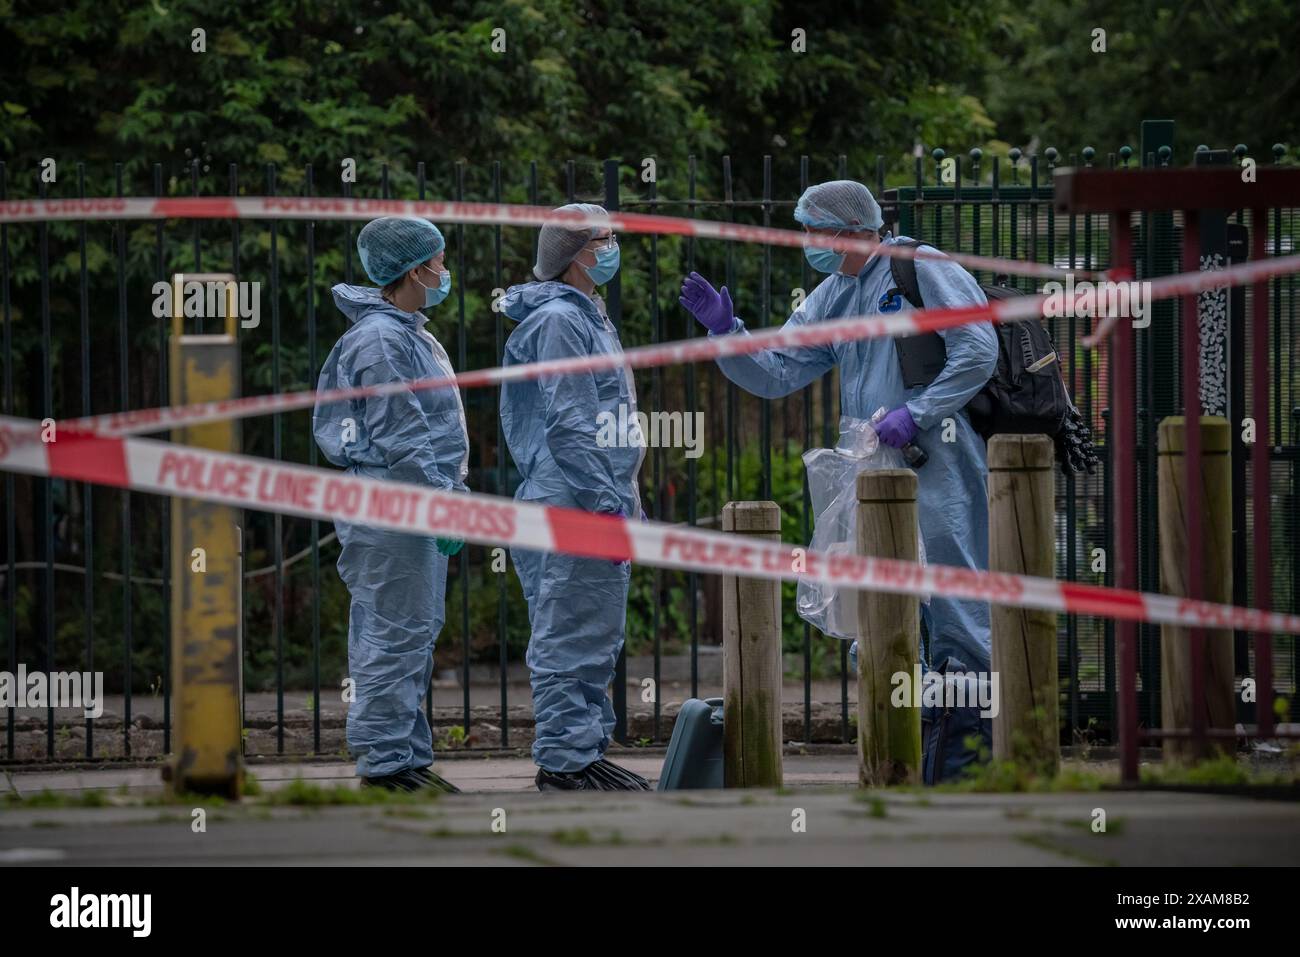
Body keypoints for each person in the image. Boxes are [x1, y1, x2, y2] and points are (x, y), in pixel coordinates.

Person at [680, 180, 999, 673]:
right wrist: (727, 333)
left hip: (937, 460)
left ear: (852, 231)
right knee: (878, 607)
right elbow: (778, 371)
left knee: (952, 595)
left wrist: (918, 413)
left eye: (814, 230)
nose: (807, 241)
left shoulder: (919, 268)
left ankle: (965, 739)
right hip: (872, 469)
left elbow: (977, 348)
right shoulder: (833, 295)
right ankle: (901, 736)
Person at [313, 216, 469, 793]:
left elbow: (432, 432)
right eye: (439, 262)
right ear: (413, 269)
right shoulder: (379, 341)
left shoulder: (405, 332)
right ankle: (384, 766)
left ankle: (405, 757)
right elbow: (403, 434)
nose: (445, 272)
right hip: (393, 506)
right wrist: (440, 503)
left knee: (411, 632)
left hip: (409, 502)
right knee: (392, 634)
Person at [499, 203, 652, 792]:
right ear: (577, 253)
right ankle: (564, 763)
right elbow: (570, 425)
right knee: (567, 634)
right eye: (605, 240)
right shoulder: (561, 322)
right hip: (572, 502)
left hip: (589, 498)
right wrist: (605, 505)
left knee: (591, 631)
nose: (613, 249)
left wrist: (625, 500)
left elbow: (606, 424)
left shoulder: (586, 317)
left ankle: (582, 752)